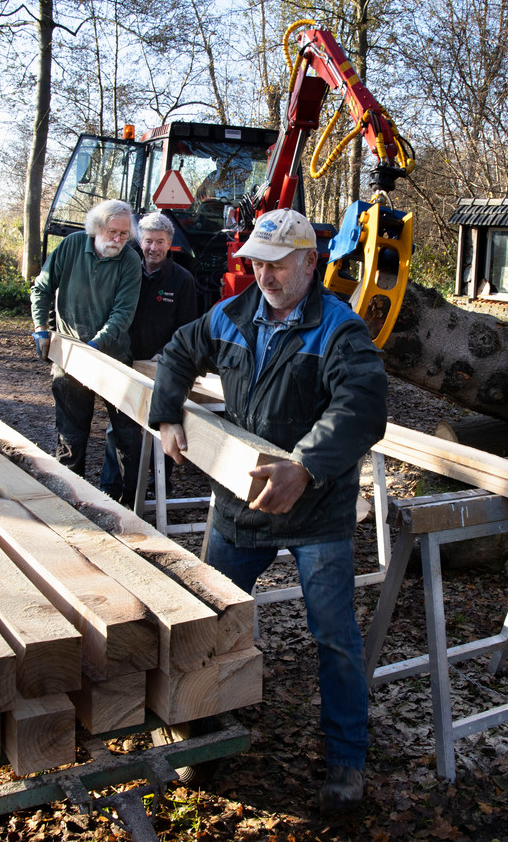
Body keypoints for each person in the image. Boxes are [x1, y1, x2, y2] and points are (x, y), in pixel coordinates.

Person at [148, 208, 387, 815]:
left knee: (334, 638)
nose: (265, 273)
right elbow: (177, 351)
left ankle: (346, 761)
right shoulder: (231, 315)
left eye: (279, 263)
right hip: (240, 503)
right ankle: (203, 731)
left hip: (318, 512)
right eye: (256, 260)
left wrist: (304, 466)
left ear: (312, 262)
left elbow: (360, 409)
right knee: (208, 617)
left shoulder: (340, 330)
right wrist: (168, 412)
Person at [30, 199, 141, 474]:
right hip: (69, 355)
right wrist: (40, 327)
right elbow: (41, 288)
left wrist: (95, 345)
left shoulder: (130, 260)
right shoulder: (71, 246)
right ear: (96, 228)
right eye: (112, 232)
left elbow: (122, 314)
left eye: (124, 234)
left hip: (112, 356)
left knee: (125, 434)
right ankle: (68, 495)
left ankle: (122, 502)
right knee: (71, 432)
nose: (118, 239)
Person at [97, 212, 200, 506]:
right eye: (148, 241)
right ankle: (111, 484)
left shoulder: (182, 280)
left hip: (161, 365)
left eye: (160, 242)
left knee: (160, 424)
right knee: (119, 424)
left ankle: (159, 483)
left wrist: (166, 355)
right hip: (125, 358)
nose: (153, 247)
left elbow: (187, 327)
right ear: (139, 241)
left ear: (170, 244)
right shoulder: (125, 271)